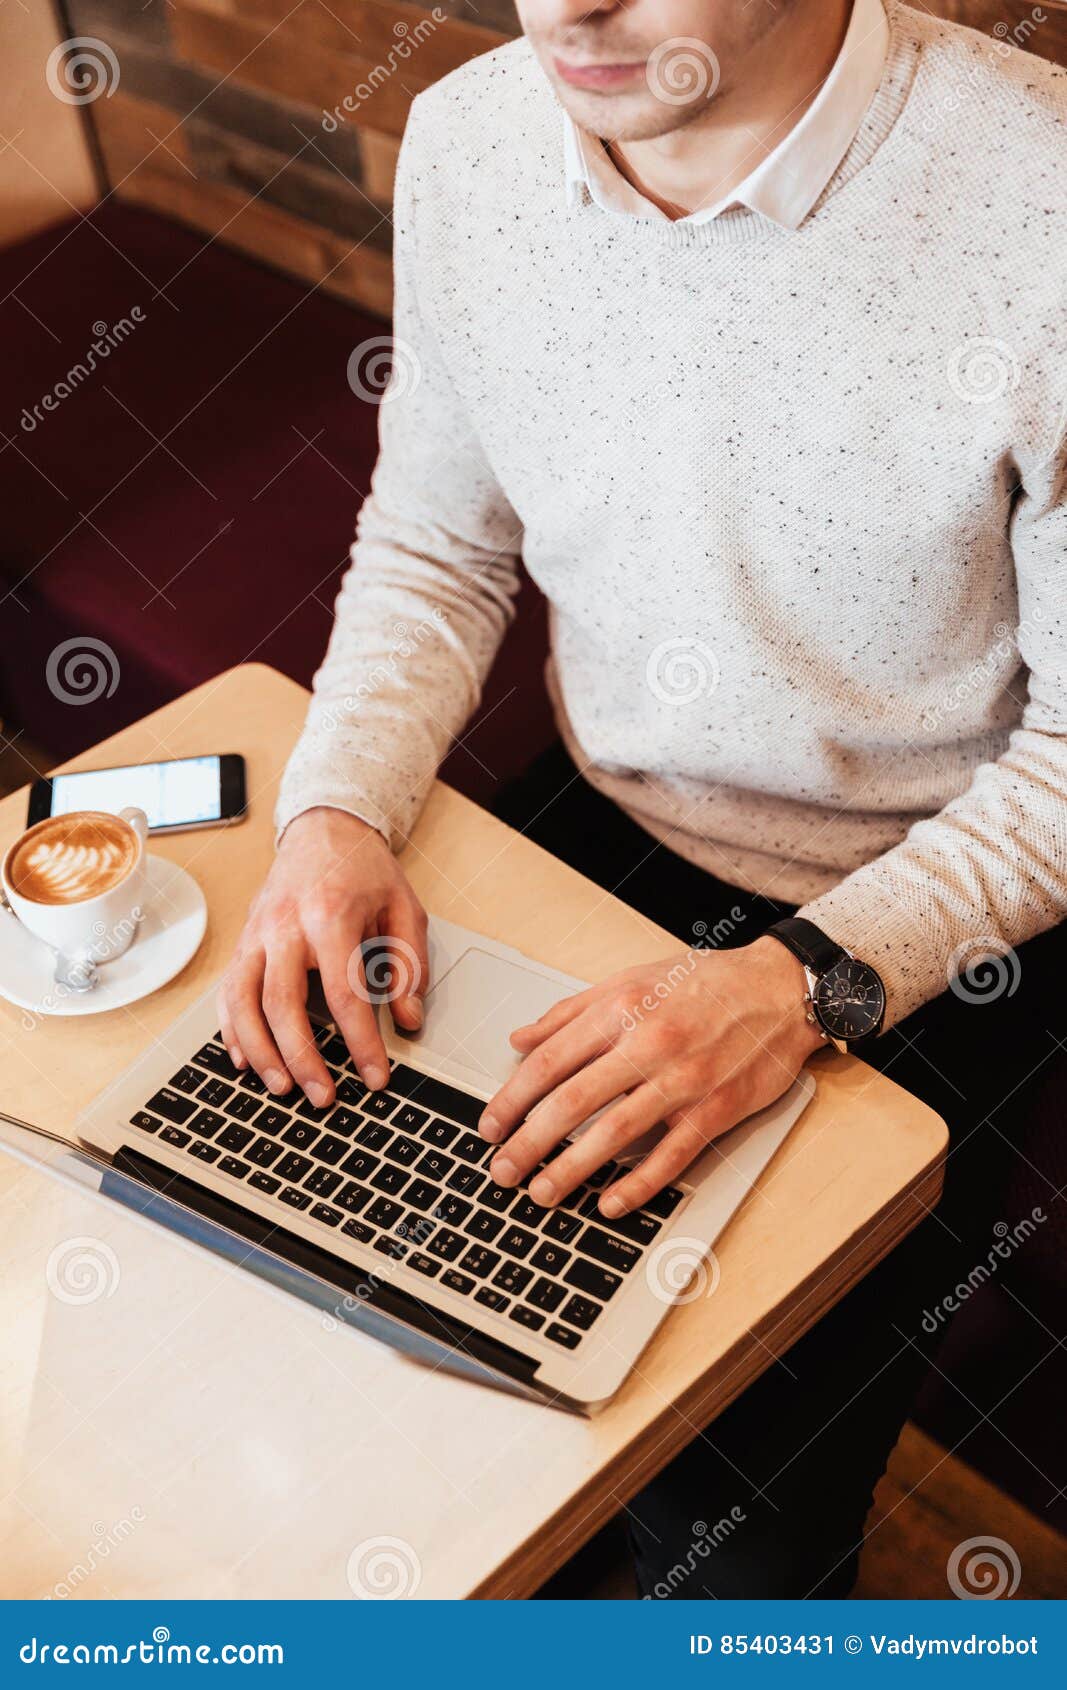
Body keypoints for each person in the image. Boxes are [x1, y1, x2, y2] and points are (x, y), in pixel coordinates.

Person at [219, 0, 1066, 1595]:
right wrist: (333, 813)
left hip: (928, 912)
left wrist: (797, 986)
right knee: (385, 1328)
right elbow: (437, 547)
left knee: (729, 1536)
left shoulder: (1046, 207)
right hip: (603, 819)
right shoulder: (475, 137)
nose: (568, 11)